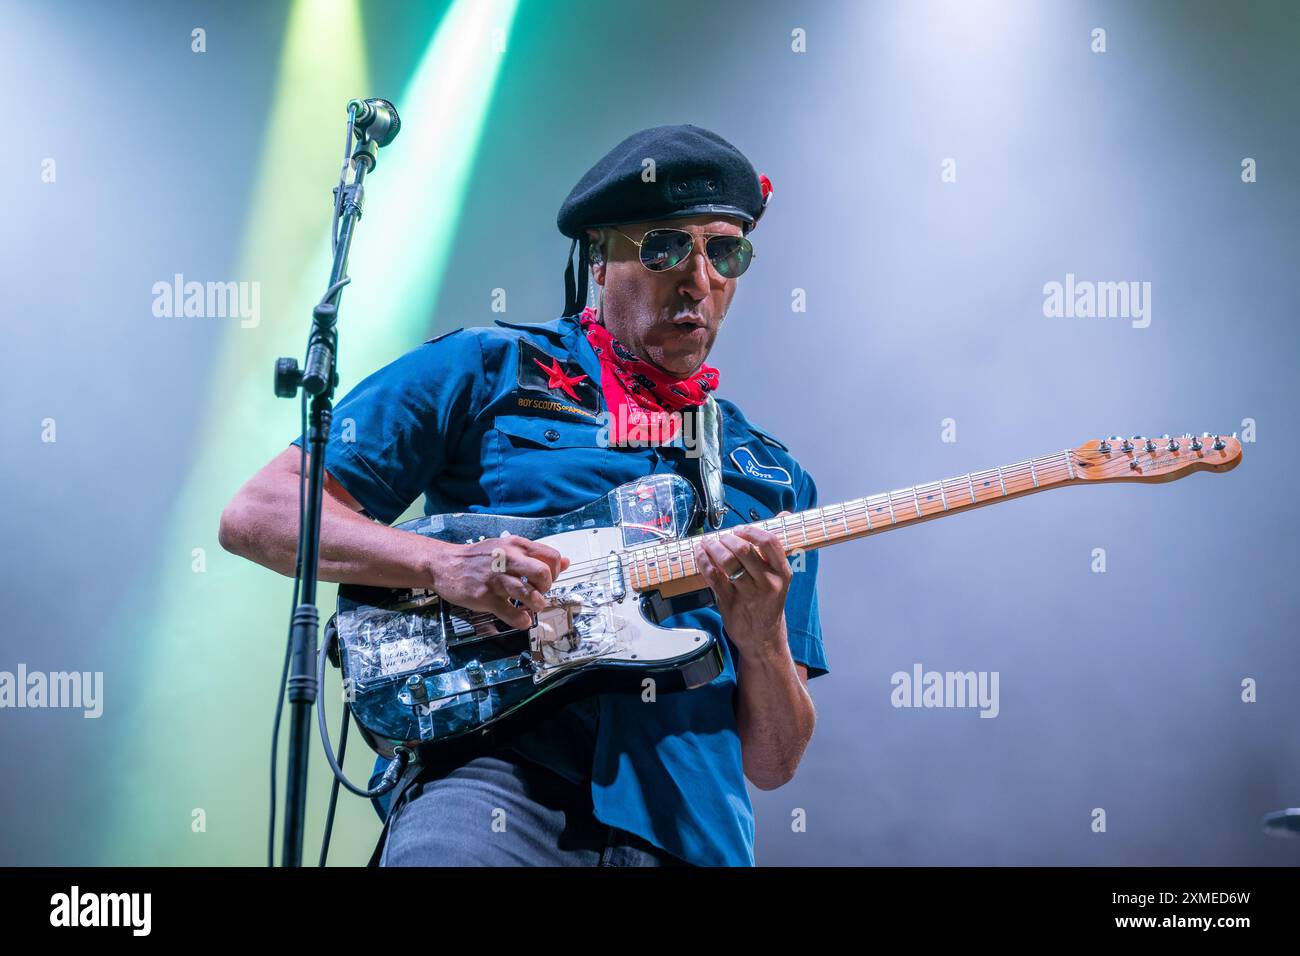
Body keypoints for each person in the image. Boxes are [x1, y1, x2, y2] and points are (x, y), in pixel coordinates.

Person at [219, 123, 829, 867]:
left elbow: (773, 763)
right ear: (600, 259)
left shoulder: (772, 477)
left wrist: (762, 638)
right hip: (493, 790)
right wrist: (439, 565)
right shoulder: (487, 368)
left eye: (724, 251)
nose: (699, 279)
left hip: (691, 830)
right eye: (667, 248)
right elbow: (261, 514)